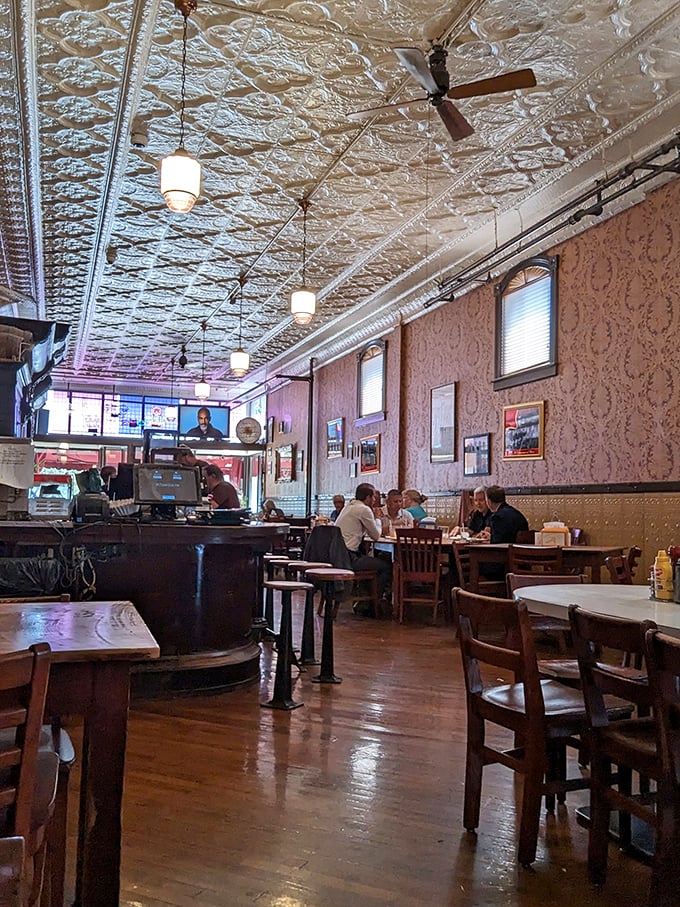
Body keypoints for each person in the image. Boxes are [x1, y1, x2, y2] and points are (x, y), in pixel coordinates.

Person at [335, 483, 392, 599]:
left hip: (338, 556)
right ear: (368, 497)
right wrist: (377, 518)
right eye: (374, 497)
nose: (375, 500)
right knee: (386, 566)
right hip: (349, 558)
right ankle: (375, 600)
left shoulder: (349, 507)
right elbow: (376, 536)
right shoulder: (363, 509)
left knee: (373, 561)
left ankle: (367, 596)